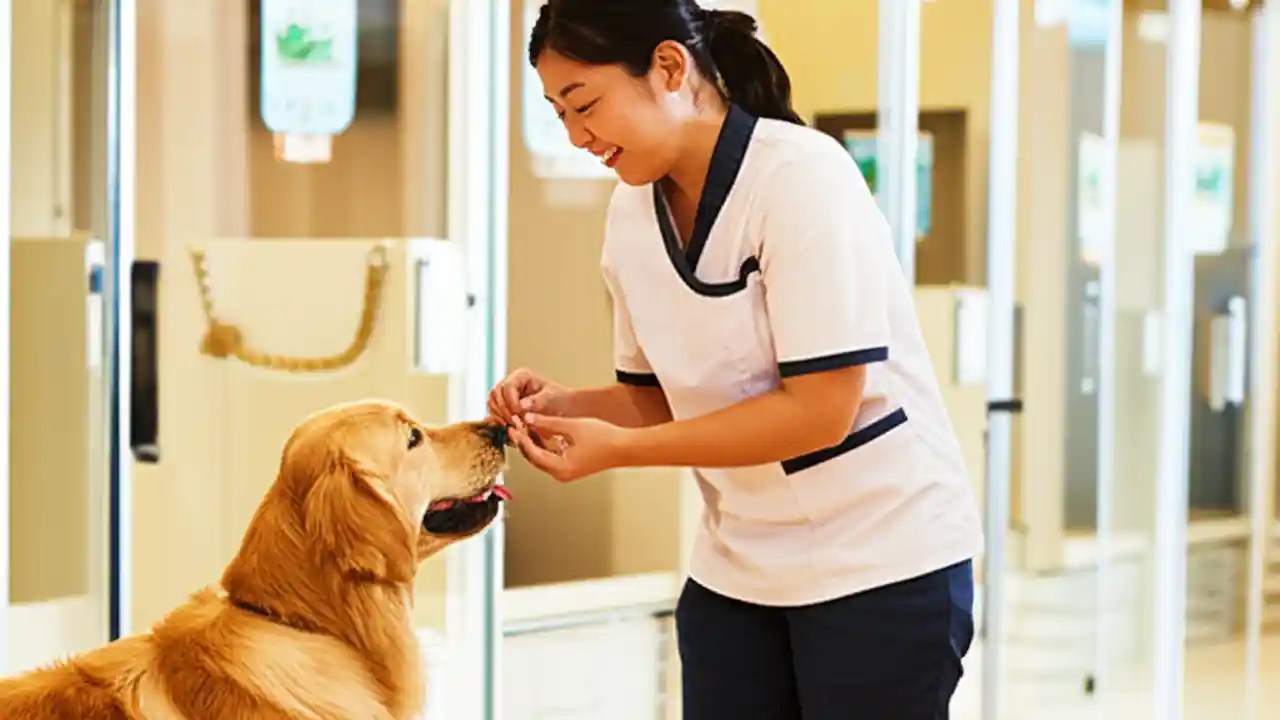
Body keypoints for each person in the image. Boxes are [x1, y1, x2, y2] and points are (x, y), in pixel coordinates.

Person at [490, 1, 984, 717]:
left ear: (667, 67)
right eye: (558, 114)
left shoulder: (800, 177)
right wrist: (567, 405)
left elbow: (820, 411)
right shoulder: (630, 215)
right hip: (738, 573)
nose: (575, 135)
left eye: (584, 104)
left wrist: (621, 451)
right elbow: (659, 396)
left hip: (881, 561)